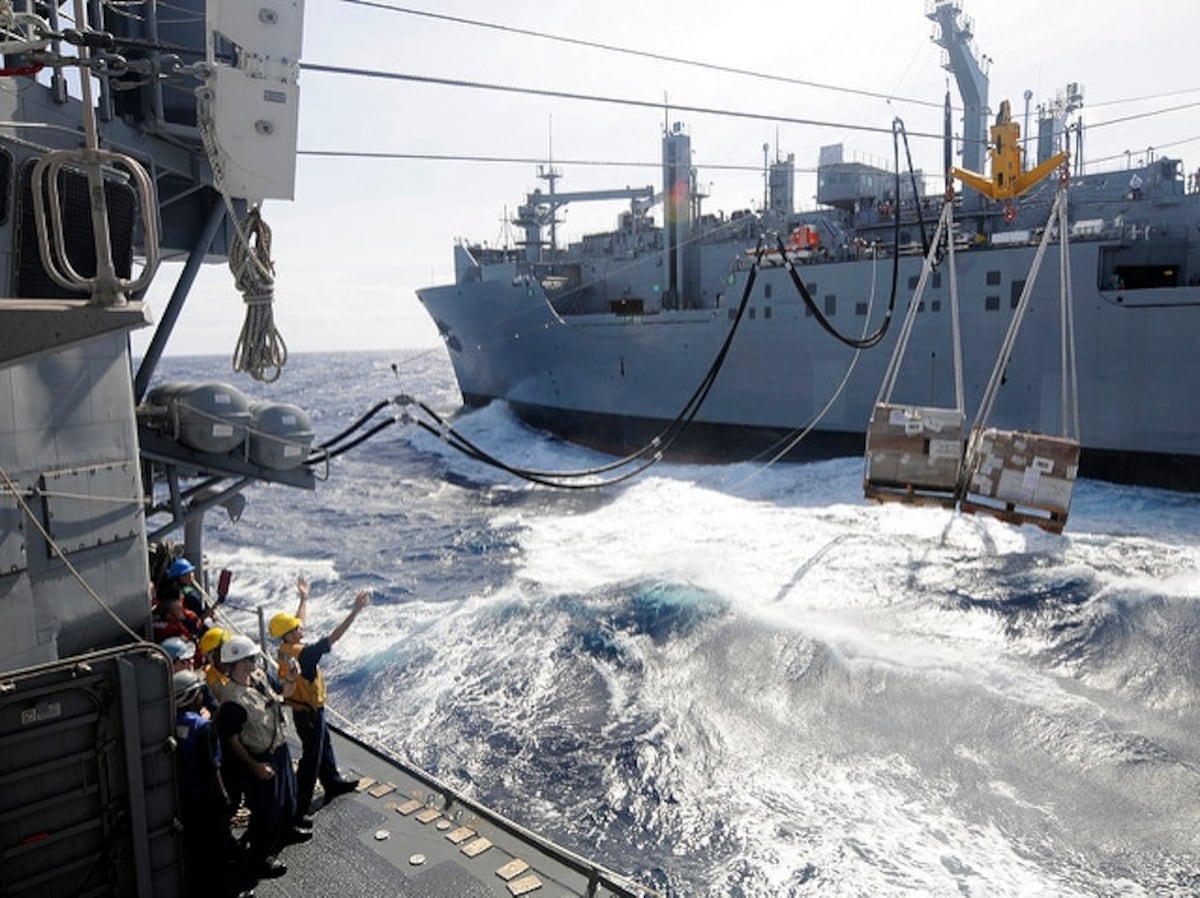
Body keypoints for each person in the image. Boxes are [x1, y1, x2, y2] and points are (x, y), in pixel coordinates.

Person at [269, 577, 368, 825]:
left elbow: (298, 620)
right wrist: (355, 611)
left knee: (324, 746)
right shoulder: (306, 654)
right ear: (289, 635)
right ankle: (299, 808)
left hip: (306, 711)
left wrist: (304, 598)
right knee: (310, 761)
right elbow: (333, 637)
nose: (301, 628)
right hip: (309, 713)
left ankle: (332, 781)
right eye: (296, 628)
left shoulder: (285, 649)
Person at [215, 635, 309, 887]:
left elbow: (284, 693)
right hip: (260, 757)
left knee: (287, 796)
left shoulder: (259, 678)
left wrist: (291, 678)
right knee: (266, 809)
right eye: (250, 658)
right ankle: (259, 858)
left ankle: (286, 830)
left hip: (279, 748)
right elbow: (232, 741)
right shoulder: (232, 701)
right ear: (238, 663)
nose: (255, 661)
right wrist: (255, 766)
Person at [173, 669, 238, 898]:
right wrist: (224, 797)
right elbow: (212, 767)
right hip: (207, 799)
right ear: (192, 696)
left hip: (185, 797)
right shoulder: (203, 726)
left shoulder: (171, 722)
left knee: (195, 849)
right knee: (217, 848)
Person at [165, 557, 212, 622]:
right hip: (190, 623)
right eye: (189, 573)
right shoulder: (188, 592)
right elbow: (201, 614)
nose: (192, 575)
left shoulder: (168, 591)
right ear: (181, 576)